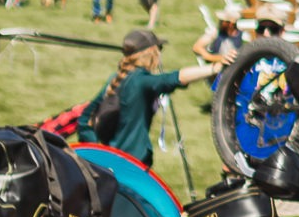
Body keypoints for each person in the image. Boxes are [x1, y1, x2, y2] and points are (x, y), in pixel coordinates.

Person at [90, 27, 222, 167]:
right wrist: (213, 69)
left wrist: (93, 151)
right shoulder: (141, 81)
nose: (160, 54)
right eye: (159, 49)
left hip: (112, 156)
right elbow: (176, 78)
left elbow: (86, 116)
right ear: (150, 53)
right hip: (133, 160)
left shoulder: (117, 78)